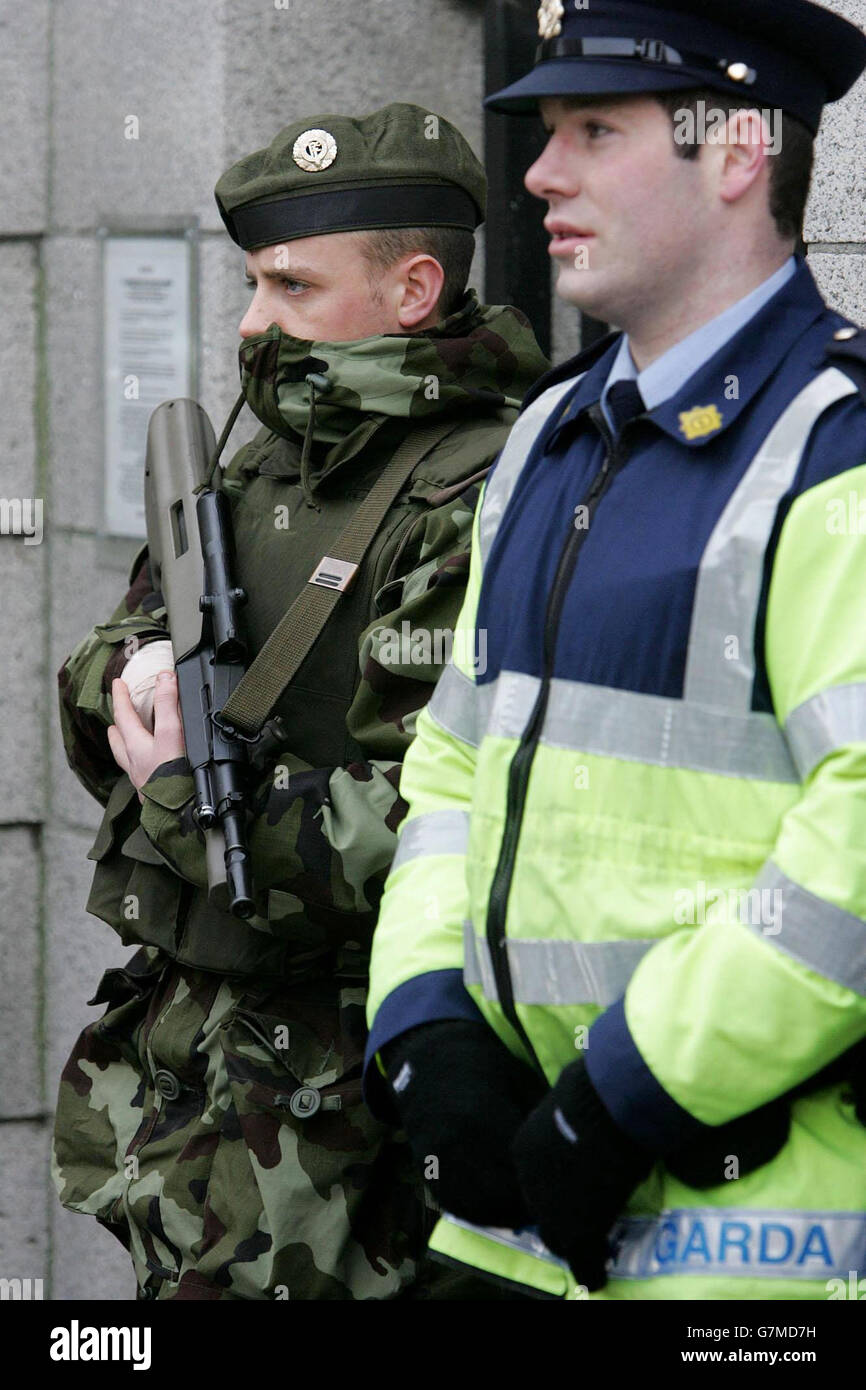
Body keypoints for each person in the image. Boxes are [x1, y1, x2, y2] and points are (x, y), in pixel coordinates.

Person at [364, 2, 866, 1300]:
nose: (538, 174)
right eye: (546, 131)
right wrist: (423, 1019)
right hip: (512, 1222)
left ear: (739, 152)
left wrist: (630, 1089)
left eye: (597, 129)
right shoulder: (547, 437)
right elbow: (453, 764)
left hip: (744, 1241)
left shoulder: (837, 453)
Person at [51, 102, 549, 1301]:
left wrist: (180, 780)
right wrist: (126, 690)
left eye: (289, 287)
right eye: (252, 286)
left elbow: (413, 837)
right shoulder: (257, 461)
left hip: (348, 1109)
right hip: (185, 1085)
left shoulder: (480, 490)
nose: (250, 321)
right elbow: (104, 670)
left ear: (413, 288)